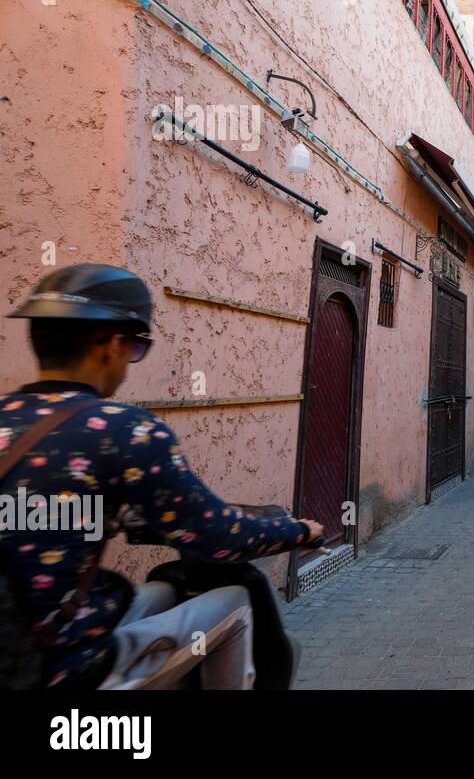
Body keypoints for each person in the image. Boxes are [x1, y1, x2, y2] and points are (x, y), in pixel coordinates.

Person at [0, 264, 324, 689]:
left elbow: (47, 508)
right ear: (111, 344)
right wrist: (299, 531)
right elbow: (218, 537)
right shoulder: (124, 429)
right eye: (136, 347)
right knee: (235, 600)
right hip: (67, 665)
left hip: (17, 640)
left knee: (160, 594)